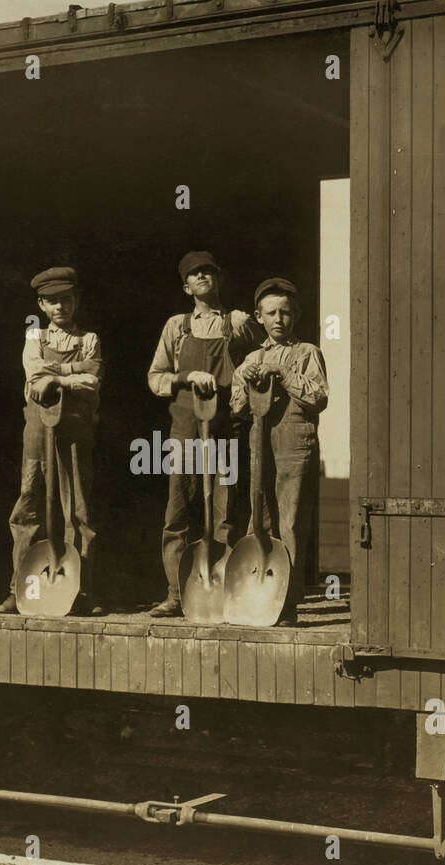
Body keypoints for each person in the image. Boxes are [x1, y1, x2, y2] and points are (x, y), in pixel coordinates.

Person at [146, 251, 265, 618]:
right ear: (186, 287)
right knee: (178, 510)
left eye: (208, 271)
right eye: (194, 273)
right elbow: (155, 378)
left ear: (219, 278)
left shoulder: (239, 322)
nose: (202, 276)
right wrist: (186, 377)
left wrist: (244, 374)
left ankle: (225, 593)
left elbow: (265, 356)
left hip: (226, 428)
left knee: (224, 510)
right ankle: (177, 594)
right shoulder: (176, 327)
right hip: (185, 430)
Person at [0, 267, 103, 616]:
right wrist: (74, 373)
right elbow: (35, 375)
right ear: (41, 304)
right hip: (37, 432)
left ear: (77, 300)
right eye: (52, 300)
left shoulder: (89, 339)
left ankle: (81, 591)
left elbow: (94, 379)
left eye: (66, 299)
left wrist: (59, 378)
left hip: (75, 430)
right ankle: (19, 589)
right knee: (29, 504)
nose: (60, 306)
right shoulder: (34, 338)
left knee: (78, 509)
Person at [231, 277, 328, 627]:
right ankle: (258, 598)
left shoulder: (307, 353)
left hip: (294, 442)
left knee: (290, 522)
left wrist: (283, 372)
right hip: (260, 443)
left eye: (286, 312)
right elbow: (236, 407)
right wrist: (245, 382)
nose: (279, 319)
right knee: (259, 517)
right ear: (258, 316)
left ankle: (288, 603)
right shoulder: (252, 357)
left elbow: (319, 397)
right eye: (271, 312)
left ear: (296, 315)